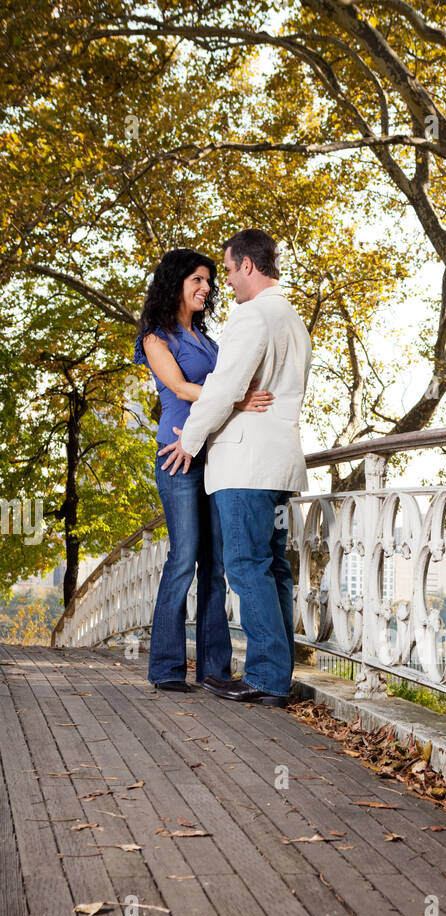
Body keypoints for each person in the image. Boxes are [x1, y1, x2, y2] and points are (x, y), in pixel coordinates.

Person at [158, 228, 312, 709]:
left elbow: (224, 389)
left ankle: (266, 678)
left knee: (247, 569)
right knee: (274, 571)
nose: (224, 280)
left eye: (225, 269)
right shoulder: (293, 319)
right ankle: (277, 674)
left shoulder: (251, 318)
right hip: (280, 462)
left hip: (245, 465)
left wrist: (192, 440)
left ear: (248, 265)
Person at [135, 248, 274, 692]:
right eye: (197, 279)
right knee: (183, 559)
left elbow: (230, 382)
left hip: (213, 458)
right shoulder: (156, 337)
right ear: (175, 282)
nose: (207, 287)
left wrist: (236, 396)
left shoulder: (210, 342)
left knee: (214, 564)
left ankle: (215, 670)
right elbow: (177, 386)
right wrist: (234, 399)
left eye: (210, 281)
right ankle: (167, 669)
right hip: (177, 457)